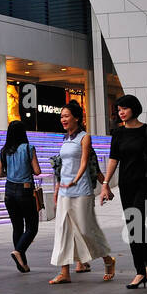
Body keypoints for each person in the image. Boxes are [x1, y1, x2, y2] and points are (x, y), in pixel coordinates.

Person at [99, 94, 147, 288]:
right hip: (126, 184)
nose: (121, 112)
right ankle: (140, 272)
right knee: (132, 227)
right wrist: (105, 184)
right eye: (119, 109)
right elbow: (114, 159)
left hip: (145, 183)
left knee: (136, 222)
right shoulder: (118, 133)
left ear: (134, 109)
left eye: (125, 108)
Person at [50, 100, 116, 284]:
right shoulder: (65, 139)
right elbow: (62, 166)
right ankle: (64, 272)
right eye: (61, 116)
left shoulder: (84, 137)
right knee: (63, 229)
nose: (63, 119)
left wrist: (75, 180)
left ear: (76, 118)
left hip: (81, 190)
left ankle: (108, 260)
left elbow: (86, 162)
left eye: (66, 116)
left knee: (87, 229)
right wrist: (58, 188)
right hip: (65, 190)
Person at [0, 120, 43, 272]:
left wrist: (9, 173)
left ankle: (22, 263)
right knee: (32, 226)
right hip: (25, 190)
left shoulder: (4, 151)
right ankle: (19, 251)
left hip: (9, 191)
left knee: (17, 227)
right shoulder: (28, 148)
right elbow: (37, 171)